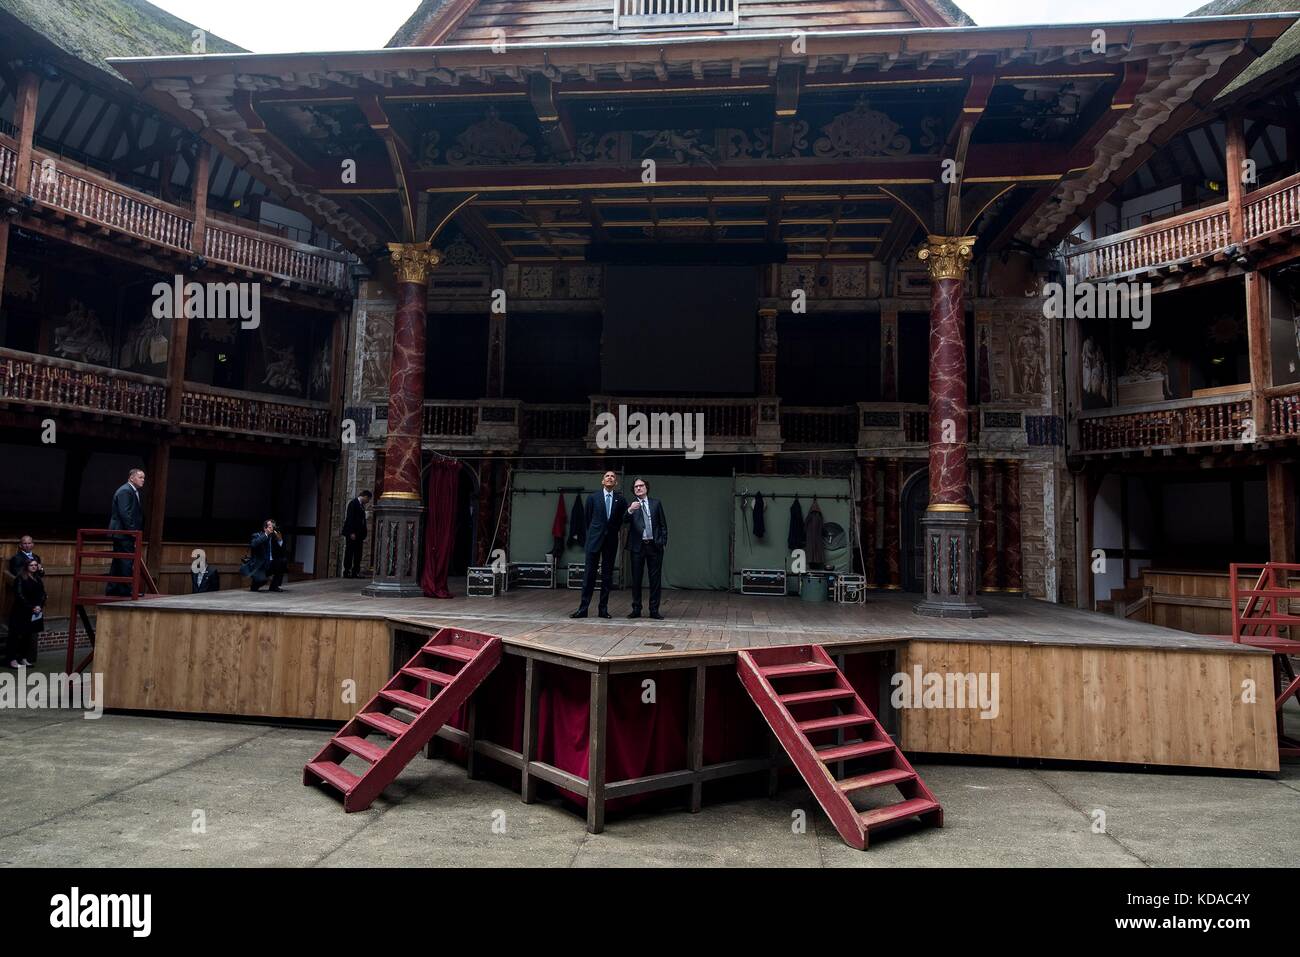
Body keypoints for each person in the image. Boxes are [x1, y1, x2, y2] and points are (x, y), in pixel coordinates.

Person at [570, 470, 627, 620]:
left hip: (611, 542)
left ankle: (603, 610)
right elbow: (587, 519)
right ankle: (583, 609)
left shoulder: (620, 500)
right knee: (589, 575)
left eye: (613, 476)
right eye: (607, 476)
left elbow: (622, 520)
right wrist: (593, 534)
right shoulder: (593, 498)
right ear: (603, 481)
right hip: (594, 540)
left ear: (616, 482)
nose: (610, 478)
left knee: (607, 576)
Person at [625, 477, 668, 620]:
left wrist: (663, 542)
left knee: (655, 579)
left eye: (641, 485)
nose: (638, 488)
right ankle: (636, 609)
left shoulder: (656, 503)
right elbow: (623, 520)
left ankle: (654, 610)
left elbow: (663, 525)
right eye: (636, 486)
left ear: (646, 488)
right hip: (638, 546)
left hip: (654, 546)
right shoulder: (632, 505)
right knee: (636, 579)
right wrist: (630, 510)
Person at [107, 468, 145, 596]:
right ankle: (126, 590)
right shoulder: (125, 491)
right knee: (126, 561)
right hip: (123, 533)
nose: (143, 480)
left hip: (122, 532)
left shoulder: (130, 491)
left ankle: (113, 589)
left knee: (119, 561)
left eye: (143, 478)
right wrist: (133, 531)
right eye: (140, 477)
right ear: (132, 478)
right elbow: (125, 513)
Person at [7, 558, 45, 668]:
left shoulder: (37, 578)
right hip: (21, 611)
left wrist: (39, 606)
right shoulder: (20, 578)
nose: (34, 567)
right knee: (15, 636)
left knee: (27, 636)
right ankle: (12, 660)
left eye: (35, 565)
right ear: (26, 567)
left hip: (34, 611)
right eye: (31, 565)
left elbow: (42, 593)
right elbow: (19, 595)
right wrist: (32, 607)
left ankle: (23, 659)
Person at [248, 519, 287, 593]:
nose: (272, 529)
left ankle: (274, 586)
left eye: (273, 527)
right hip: (261, 564)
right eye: (270, 527)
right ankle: (255, 585)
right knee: (260, 583)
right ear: (264, 528)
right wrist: (266, 534)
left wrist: (280, 540)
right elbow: (253, 544)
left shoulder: (274, 537)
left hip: (271, 563)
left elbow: (282, 551)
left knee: (283, 561)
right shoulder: (257, 535)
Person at [341, 490, 372, 578]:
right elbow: (350, 518)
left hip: (359, 534)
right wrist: (351, 532)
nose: (368, 501)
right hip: (352, 533)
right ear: (365, 496)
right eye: (368, 499)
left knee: (358, 553)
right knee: (350, 552)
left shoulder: (361, 506)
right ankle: (347, 571)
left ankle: (355, 571)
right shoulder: (353, 503)